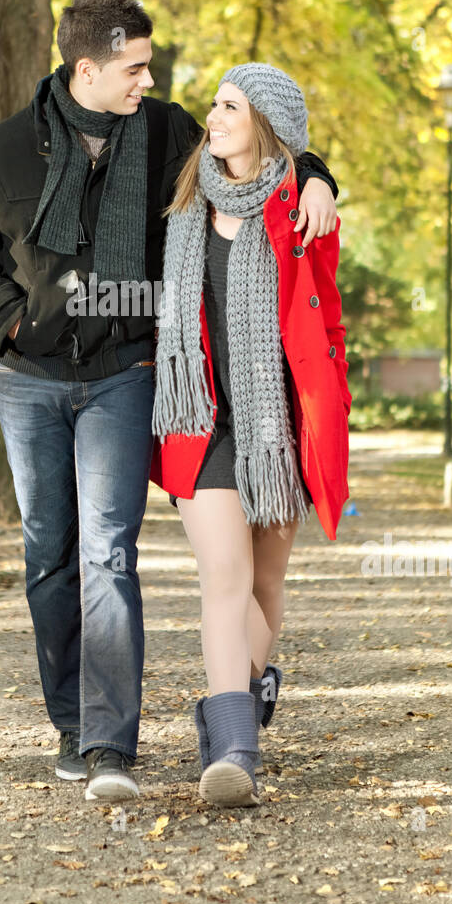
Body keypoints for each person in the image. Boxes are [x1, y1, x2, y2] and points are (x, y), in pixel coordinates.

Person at [0, 0, 339, 803]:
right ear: (87, 69)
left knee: (111, 551)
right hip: (30, 381)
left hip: (126, 373)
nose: (149, 80)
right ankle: (75, 727)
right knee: (50, 553)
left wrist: (324, 176)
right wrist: (11, 326)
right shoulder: (5, 150)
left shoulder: (164, 133)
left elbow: (267, 147)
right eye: (135, 67)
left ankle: (115, 745)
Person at [149, 62, 351, 808]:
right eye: (215, 102)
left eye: (231, 105)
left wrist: (319, 180)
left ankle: (238, 695)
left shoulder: (303, 209)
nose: (214, 115)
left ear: (263, 123)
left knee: (266, 583)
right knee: (225, 579)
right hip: (202, 425)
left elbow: (321, 319)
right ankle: (235, 750)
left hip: (281, 430)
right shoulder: (186, 199)